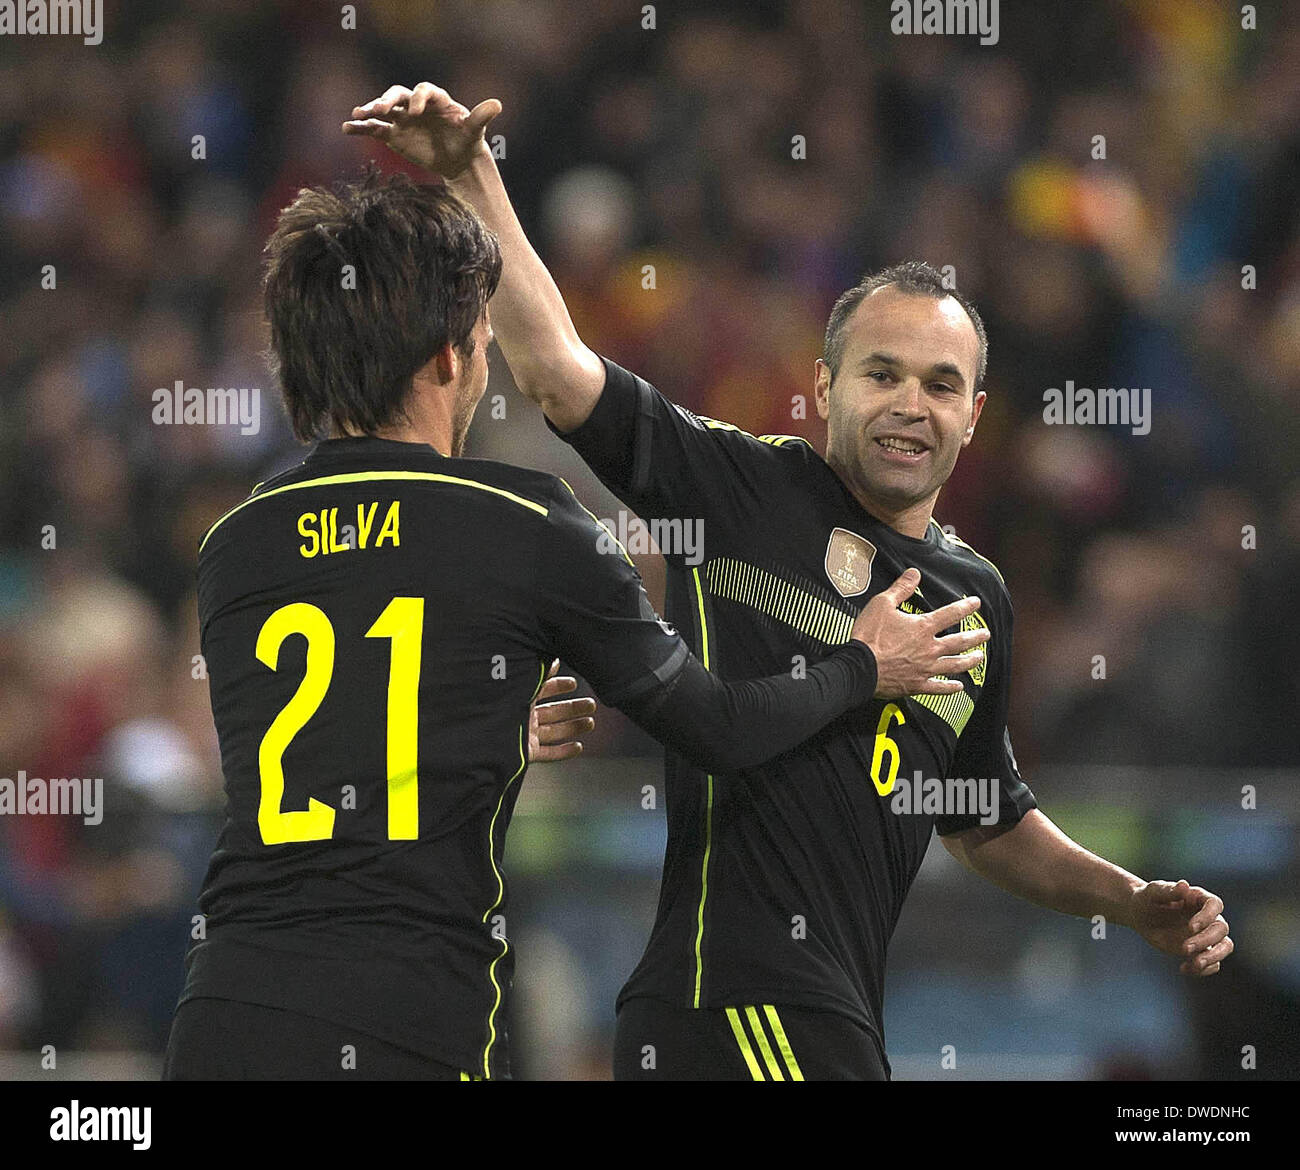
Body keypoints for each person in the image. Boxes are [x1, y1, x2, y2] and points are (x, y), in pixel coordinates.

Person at [342, 83, 1234, 1081]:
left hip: (820, 1020)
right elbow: (554, 370)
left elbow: (986, 815)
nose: (910, 404)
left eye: (940, 385)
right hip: (736, 1004)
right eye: (880, 373)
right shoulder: (745, 486)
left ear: (975, 415)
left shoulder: (972, 595)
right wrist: (472, 176)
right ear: (821, 390)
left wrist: (1124, 897)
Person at [162, 169, 986, 1081]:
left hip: (222, 1010)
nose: (484, 365)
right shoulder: (526, 520)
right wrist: (861, 665)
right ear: (447, 355)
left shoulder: (235, 543)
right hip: (410, 1011)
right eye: (479, 341)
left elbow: (329, 733)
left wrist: (475, 727)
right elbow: (714, 726)